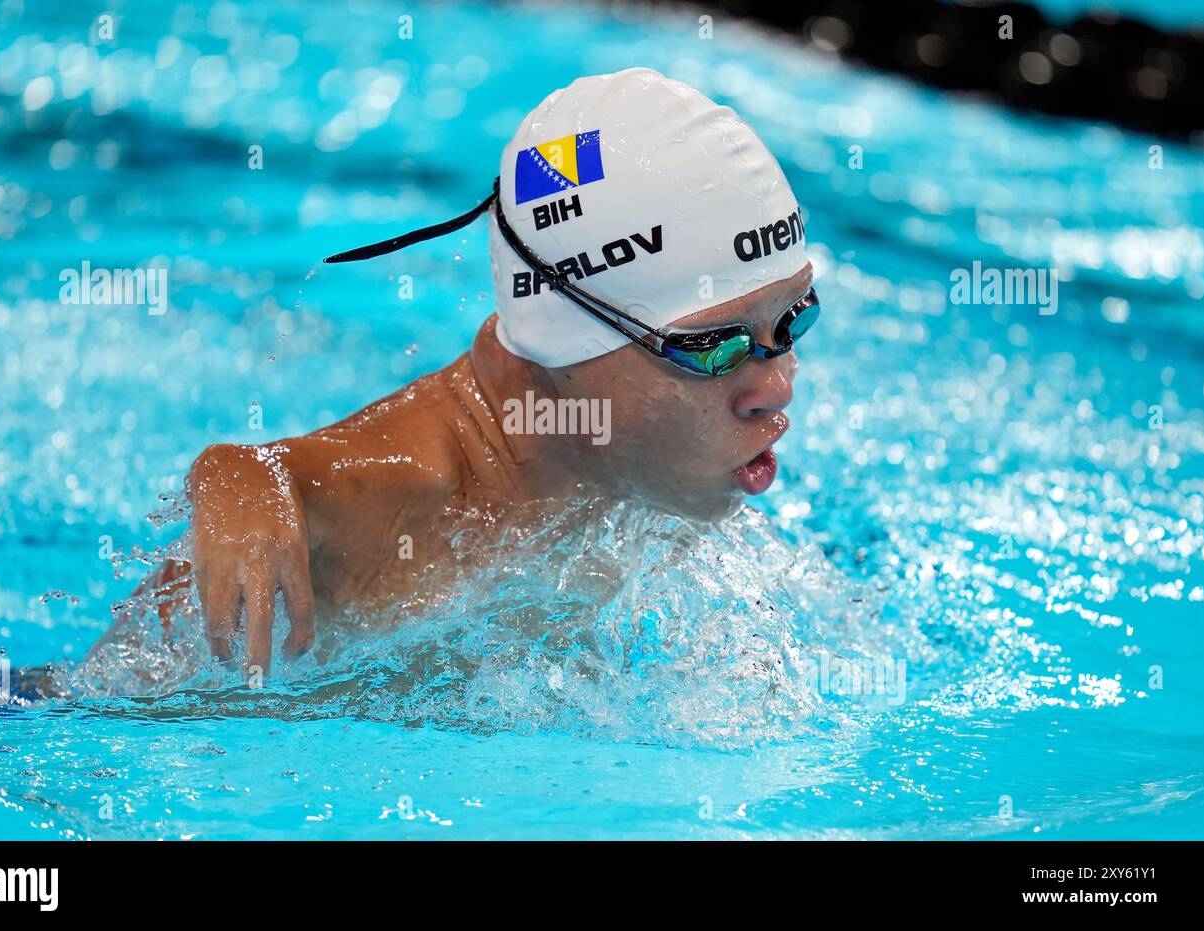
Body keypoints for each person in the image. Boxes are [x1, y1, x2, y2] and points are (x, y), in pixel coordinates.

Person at [89, 67, 819, 680]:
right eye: (712, 346)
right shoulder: (397, 501)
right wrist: (236, 478)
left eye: (795, 315)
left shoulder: (643, 469)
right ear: (560, 340)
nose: (777, 384)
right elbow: (273, 482)